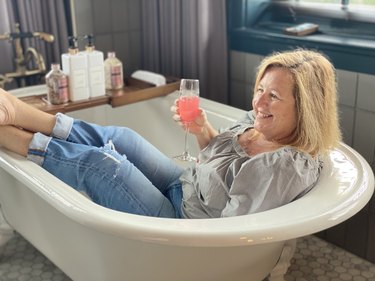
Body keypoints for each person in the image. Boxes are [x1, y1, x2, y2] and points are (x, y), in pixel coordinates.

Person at [0, 49, 341, 219]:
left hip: (184, 220)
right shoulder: (262, 121)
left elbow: (232, 230)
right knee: (124, 137)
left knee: (105, 166)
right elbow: (220, 170)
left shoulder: (285, 166)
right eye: (260, 89)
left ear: (306, 108)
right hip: (186, 184)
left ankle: (10, 136)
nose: (258, 102)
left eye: (274, 96)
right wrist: (202, 130)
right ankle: (18, 112)